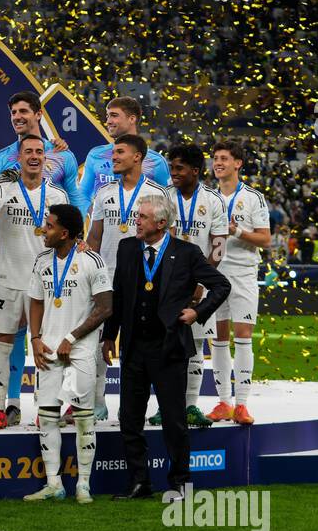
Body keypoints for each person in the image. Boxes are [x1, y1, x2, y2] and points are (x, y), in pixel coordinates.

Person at [103, 198, 230, 501]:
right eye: (137, 216)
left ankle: (180, 484)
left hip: (169, 348)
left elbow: (221, 285)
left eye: (143, 217)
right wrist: (110, 335)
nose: (137, 221)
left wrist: (198, 313)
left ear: (161, 223)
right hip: (134, 347)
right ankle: (139, 482)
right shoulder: (127, 248)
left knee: (174, 420)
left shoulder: (186, 253)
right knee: (130, 418)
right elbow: (119, 295)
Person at [0, 92, 83, 424]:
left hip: (45, 278)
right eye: (28, 152)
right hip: (6, 274)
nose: (34, 156)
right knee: (4, 341)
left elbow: (74, 212)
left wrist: (80, 243)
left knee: (47, 342)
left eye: (38, 152)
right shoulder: (1, 171)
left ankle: (47, 406)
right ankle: (4, 404)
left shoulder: (59, 176)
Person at [25, 204, 112, 503]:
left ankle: (83, 485)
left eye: (48, 226)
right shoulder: (41, 261)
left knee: (84, 418)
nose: (43, 231)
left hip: (81, 350)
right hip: (48, 348)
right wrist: (35, 338)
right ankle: (54, 484)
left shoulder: (92, 261)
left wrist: (72, 337)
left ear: (64, 233)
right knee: (47, 415)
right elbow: (35, 301)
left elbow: (105, 307)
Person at [85, 134, 170, 421]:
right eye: (113, 152)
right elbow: (94, 236)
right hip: (104, 278)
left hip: (142, 281)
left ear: (138, 157)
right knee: (97, 344)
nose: (114, 157)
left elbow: (166, 240)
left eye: (120, 152)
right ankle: (97, 402)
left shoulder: (158, 193)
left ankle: (131, 406)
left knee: (136, 348)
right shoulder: (104, 192)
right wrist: (88, 270)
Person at [150, 142, 227, 429]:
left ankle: (191, 405)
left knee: (194, 346)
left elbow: (218, 247)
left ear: (195, 171)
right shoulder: (161, 197)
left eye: (179, 168)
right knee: (162, 348)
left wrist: (199, 282)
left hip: (197, 287)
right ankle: (165, 407)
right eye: (171, 167)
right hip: (163, 284)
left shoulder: (213, 201)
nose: (173, 172)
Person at [208, 141, 271, 425]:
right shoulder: (207, 197)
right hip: (214, 275)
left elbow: (265, 239)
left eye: (224, 158)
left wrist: (237, 231)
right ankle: (224, 402)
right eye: (215, 158)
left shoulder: (253, 198)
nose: (218, 162)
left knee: (243, 336)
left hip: (243, 274)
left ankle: (242, 404)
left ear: (238, 164)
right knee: (218, 340)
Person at [78, 96, 171, 210]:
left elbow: (167, 202)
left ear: (132, 119)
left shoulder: (156, 161)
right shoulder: (96, 155)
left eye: (114, 115)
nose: (108, 121)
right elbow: (83, 195)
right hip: (104, 227)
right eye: (107, 116)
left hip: (140, 226)